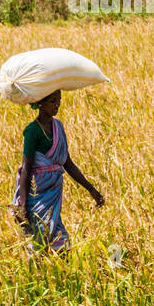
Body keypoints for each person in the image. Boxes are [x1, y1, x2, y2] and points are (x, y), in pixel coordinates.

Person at [12, 89, 103, 253]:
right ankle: (39, 271)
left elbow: (67, 162)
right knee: (40, 237)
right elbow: (26, 168)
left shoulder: (58, 127)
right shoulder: (32, 131)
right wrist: (24, 205)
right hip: (37, 193)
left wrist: (91, 189)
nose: (57, 105)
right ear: (41, 103)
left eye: (59, 100)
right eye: (53, 101)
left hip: (53, 191)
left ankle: (59, 271)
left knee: (57, 234)